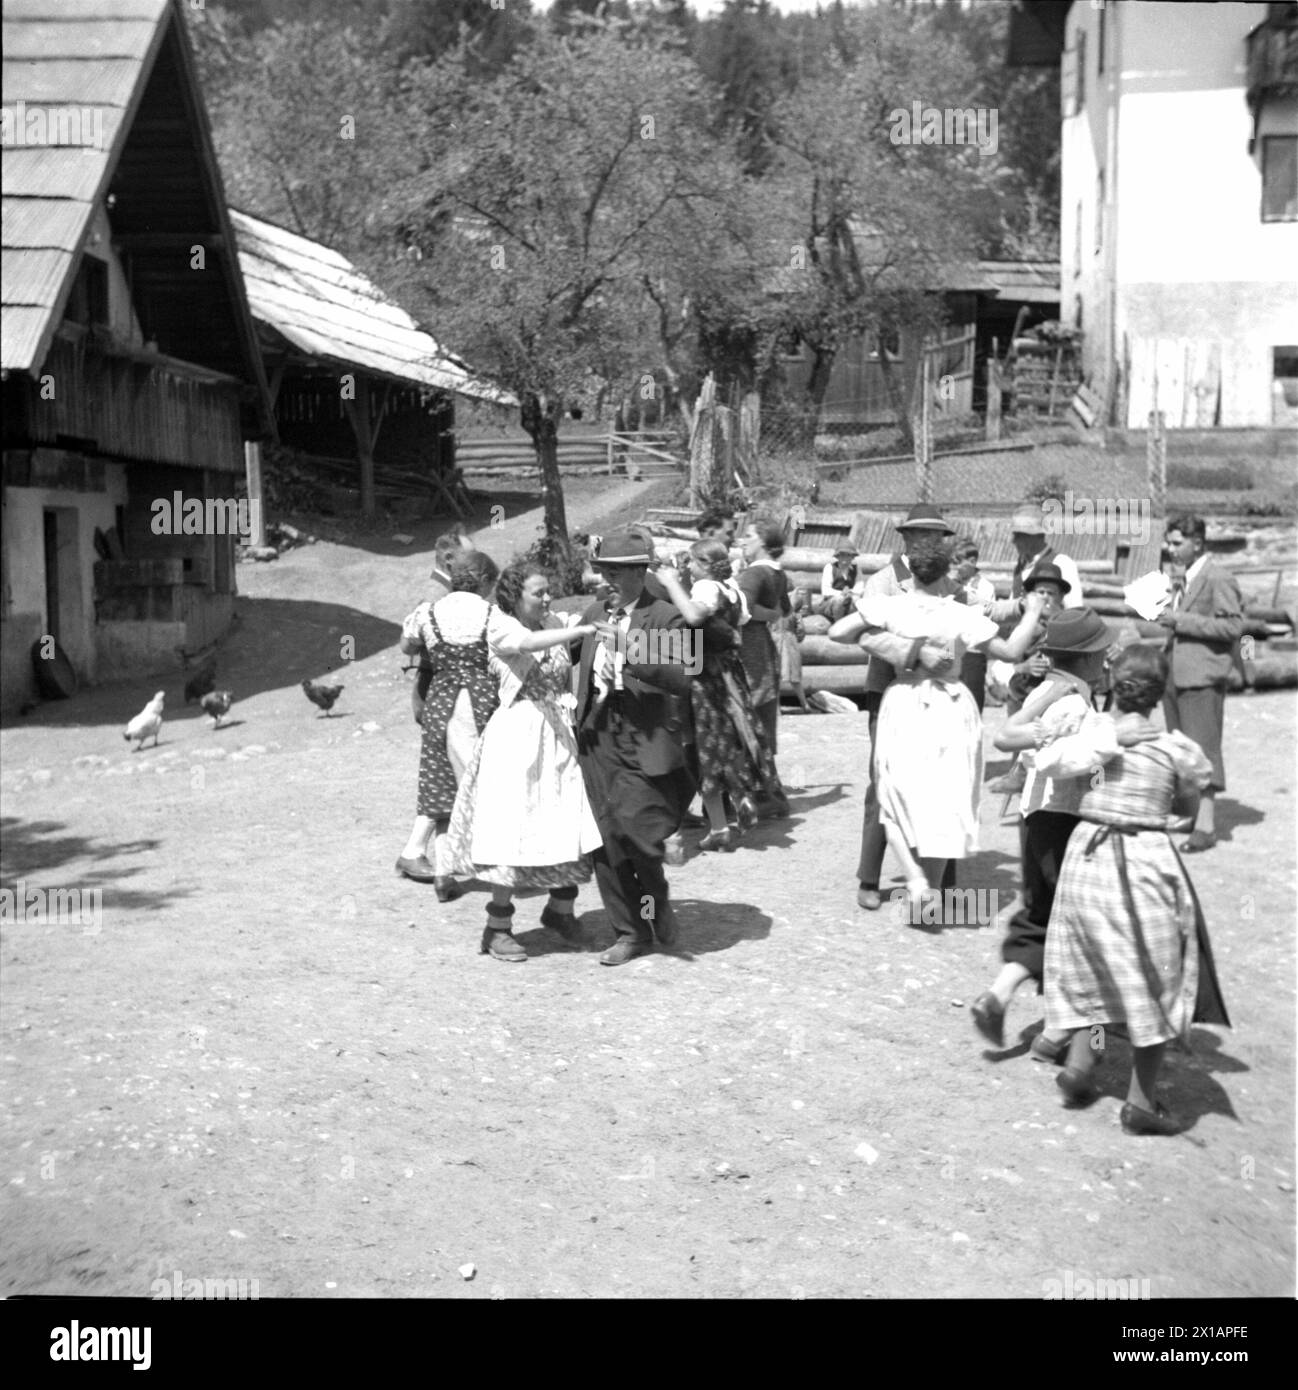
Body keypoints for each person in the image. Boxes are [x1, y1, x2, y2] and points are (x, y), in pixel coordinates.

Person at [1032, 646, 1231, 1133]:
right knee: (1153, 974)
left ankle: (1081, 1065)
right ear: (1160, 694)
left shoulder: (1094, 732)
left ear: (1113, 685)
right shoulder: (1177, 747)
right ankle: (1140, 1102)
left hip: (1087, 856)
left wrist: (1107, 741)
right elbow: (1196, 787)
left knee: (1090, 960)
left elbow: (1048, 761)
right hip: (1145, 859)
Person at [830, 535, 1044, 906]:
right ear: (946, 572)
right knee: (947, 796)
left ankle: (915, 880)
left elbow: (838, 632)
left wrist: (891, 641)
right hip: (950, 704)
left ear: (911, 570)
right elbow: (1011, 650)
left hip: (903, 701)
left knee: (893, 792)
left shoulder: (890, 605)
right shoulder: (959, 613)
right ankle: (928, 886)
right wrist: (1032, 614)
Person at [443, 559, 604, 962]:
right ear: (515, 595)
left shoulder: (553, 621)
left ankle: (561, 910)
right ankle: (497, 927)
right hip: (517, 735)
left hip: (557, 732)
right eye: (539, 592)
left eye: (549, 591)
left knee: (566, 817)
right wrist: (579, 631)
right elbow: (529, 644)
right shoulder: (501, 626)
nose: (547, 598)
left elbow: (575, 632)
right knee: (513, 827)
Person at [970, 608, 1114, 1054]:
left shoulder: (1055, 689)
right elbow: (1009, 738)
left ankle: (999, 996)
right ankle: (1061, 1030)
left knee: (1042, 912)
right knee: (1068, 918)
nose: (1105, 659)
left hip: (1037, 814)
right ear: (1085, 658)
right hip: (1059, 818)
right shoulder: (1068, 701)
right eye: (1101, 652)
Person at [574, 531, 697, 965]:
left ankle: (655, 901)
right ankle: (630, 932)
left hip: (643, 730)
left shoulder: (664, 616)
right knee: (605, 837)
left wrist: (627, 646)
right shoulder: (592, 613)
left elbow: (685, 675)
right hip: (597, 732)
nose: (606, 580)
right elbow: (566, 658)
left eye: (615, 572)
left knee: (638, 831)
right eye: (602, 571)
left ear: (639, 572)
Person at [840, 503, 960, 911]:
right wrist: (913, 653)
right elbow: (865, 635)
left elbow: (961, 627)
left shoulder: (949, 583)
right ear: (906, 537)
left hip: (938, 696)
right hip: (890, 692)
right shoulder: (883, 582)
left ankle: (939, 878)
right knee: (884, 781)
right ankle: (869, 876)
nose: (930, 541)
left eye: (936, 536)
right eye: (922, 534)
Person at [654, 539, 787, 850]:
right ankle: (731, 810)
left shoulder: (706, 588)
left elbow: (694, 616)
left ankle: (722, 821)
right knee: (729, 741)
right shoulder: (732, 590)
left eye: (691, 561)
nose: (687, 567)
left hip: (707, 677)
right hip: (729, 675)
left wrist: (672, 584)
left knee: (708, 746)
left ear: (704, 564)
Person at [400, 550, 502, 901]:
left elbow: (406, 645)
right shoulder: (491, 613)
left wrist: (431, 646)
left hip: (439, 700)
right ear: (484, 581)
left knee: (442, 782)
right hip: (478, 702)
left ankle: (443, 872)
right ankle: (495, 864)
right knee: (478, 782)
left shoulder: (428, 612)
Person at [1157, 513, 1245, 853]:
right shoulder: (1184, 577)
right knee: (1181, 748)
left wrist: (1180, 619)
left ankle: (1206, 827)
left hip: (1202, 676)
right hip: (1175, 674)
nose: (1171, 549)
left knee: (1204, 749)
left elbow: (1233, 627)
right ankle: (1190, 813)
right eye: (1169, 542)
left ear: (1197, 542)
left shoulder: (1218, 577)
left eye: (1177, 543)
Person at [395, 524, 475, 882]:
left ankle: (440, 864)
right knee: (446, 772)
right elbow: (408, 643)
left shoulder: (447, 590)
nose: (474, 563)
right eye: (469, 557)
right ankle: (414, 853)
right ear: (449, 558)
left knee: (446, 773)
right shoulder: (435, 593)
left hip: (444, 687)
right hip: (436, 687)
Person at [986, 562, 1071, 792]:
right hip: (1024, 690)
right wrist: (1023, 666)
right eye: (1040, 592)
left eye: (1051, 593)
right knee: (1019, 728)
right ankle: (1017, 774)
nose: (1045, 598)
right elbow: (1003, 664)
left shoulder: (1068, 623)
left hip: (1056, 690)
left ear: (1061, 597)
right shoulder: (1024, 625)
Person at [735, 520, 792, 780]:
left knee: (747, 707)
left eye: (749, 535)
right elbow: (785, 610)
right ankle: (766, 777)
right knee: (763, 710)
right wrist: (772, 613)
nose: (743, 540)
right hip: (764, 645)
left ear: (764, 541)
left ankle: (754, 779)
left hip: (748, 646)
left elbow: (742, 609)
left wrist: (768, 614)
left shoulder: (754, 573)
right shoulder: (778, 573)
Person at [950, 537, 996, 713]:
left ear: (972, 561)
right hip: (949, 645)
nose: (955, 568)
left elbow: (982, 619)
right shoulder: (949, 584)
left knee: (972, 698)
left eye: (958, 563)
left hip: (972, 650)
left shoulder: (985, 587)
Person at [818, 546, 861, 622]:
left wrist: (850, 593)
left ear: (852, 557)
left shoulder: (856, 569)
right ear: (838, 556)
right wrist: (841, 593)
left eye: (848, 555)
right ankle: (837, 624)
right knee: (839, 600)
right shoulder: (830, 567)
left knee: (857, 600)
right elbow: (825, 590)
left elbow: (860, 587)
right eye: (842, 555)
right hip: (830, 603)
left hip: (849, 599)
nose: (845, 558)